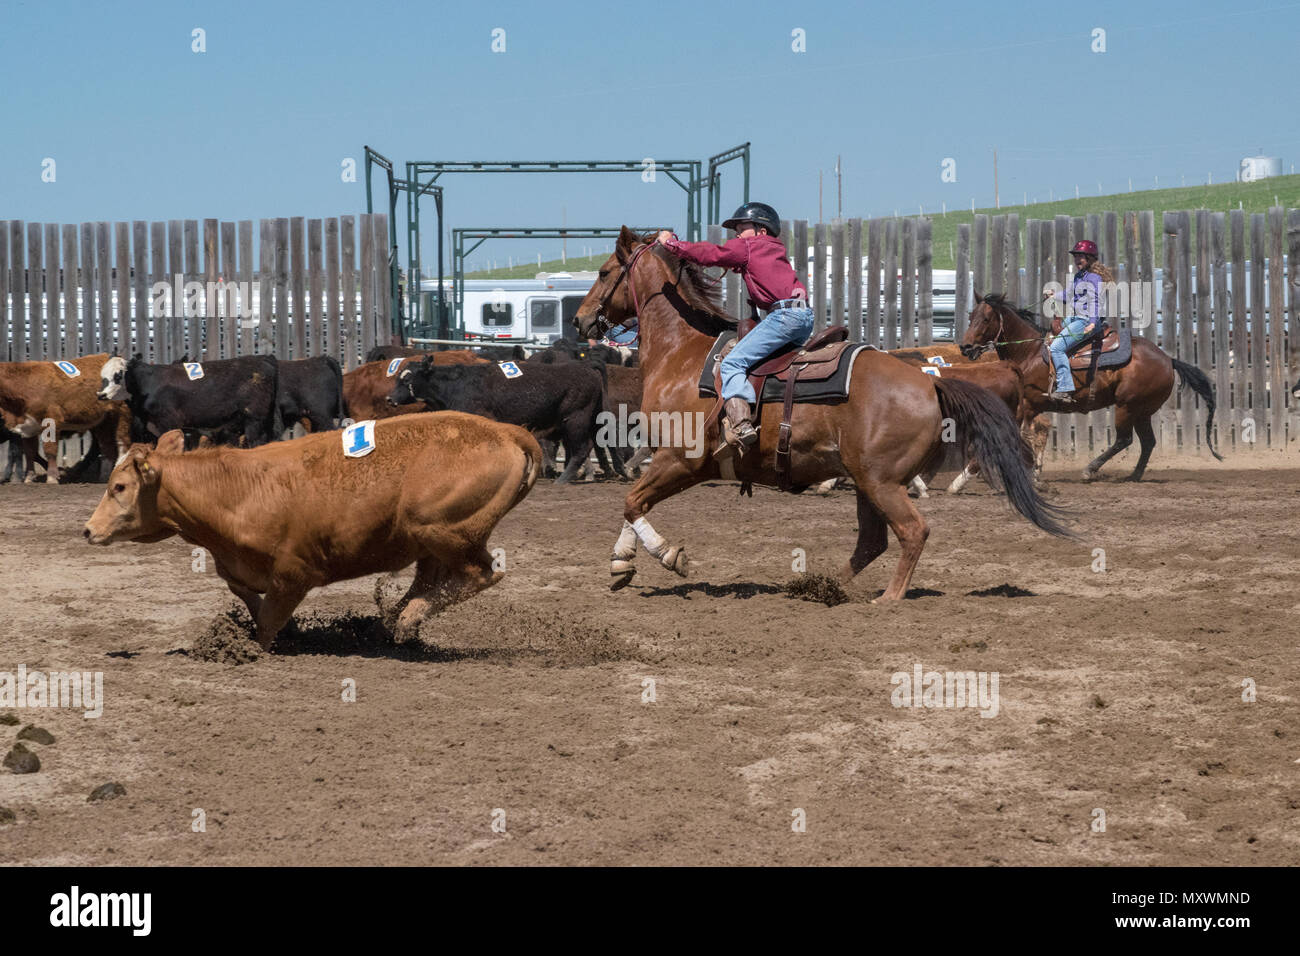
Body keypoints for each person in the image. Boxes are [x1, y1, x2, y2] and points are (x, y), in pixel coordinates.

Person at [656, 202, 812, 458]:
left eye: (743, 228)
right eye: (736, 229)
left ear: (761, 231)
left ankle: (740, 425)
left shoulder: (750, 247)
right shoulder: (772, 249)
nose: (737, 234)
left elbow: (711, 254)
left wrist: (671, 244)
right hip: (802, 316)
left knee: (732, 363)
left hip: (783, 316)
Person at [1042, 239, 1113, 403]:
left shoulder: (1094, 278)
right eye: (1075, 257)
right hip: (1075, 318)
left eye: (1080, 257)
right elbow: (1068, 295)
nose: (1076, 260)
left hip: (1085, 321)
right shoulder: (1079, 276)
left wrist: (1093, 323)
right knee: (1050, 338)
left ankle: (1066, 389)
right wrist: (1053, 296)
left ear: (1089, 258)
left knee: (1057, 348)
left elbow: (1095, 301)